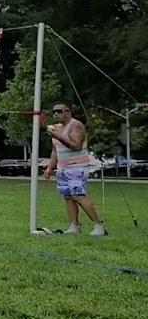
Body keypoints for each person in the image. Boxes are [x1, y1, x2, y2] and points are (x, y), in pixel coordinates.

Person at [42, 101, 107, 236]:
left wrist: (57, 136)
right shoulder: (56, 128)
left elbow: (76, 145)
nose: (56, 114)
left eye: (59, 111)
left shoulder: (75, 125)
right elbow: (55, 150)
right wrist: (50, 167)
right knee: (68, 196)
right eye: (54, 111)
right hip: (63, 168)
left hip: (77, 166)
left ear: (68, 112)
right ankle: (74, 226)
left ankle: (98, 226)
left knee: (78, 195)